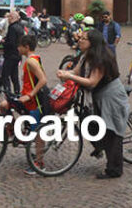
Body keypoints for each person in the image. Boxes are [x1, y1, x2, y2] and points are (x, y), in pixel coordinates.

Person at [52, 27, 126, 179]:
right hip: (97, 95)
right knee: (88, 121)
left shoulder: (101, 58)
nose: (79, 40)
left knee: (112, 131)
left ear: (92, 42)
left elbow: (92, 82)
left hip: (111, 95)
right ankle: (99, 146)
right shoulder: (86, 55)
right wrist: (65, 73)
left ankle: (114, 169)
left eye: (83, 39)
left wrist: (70, 77)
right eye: (80, 38)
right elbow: (77, 72)